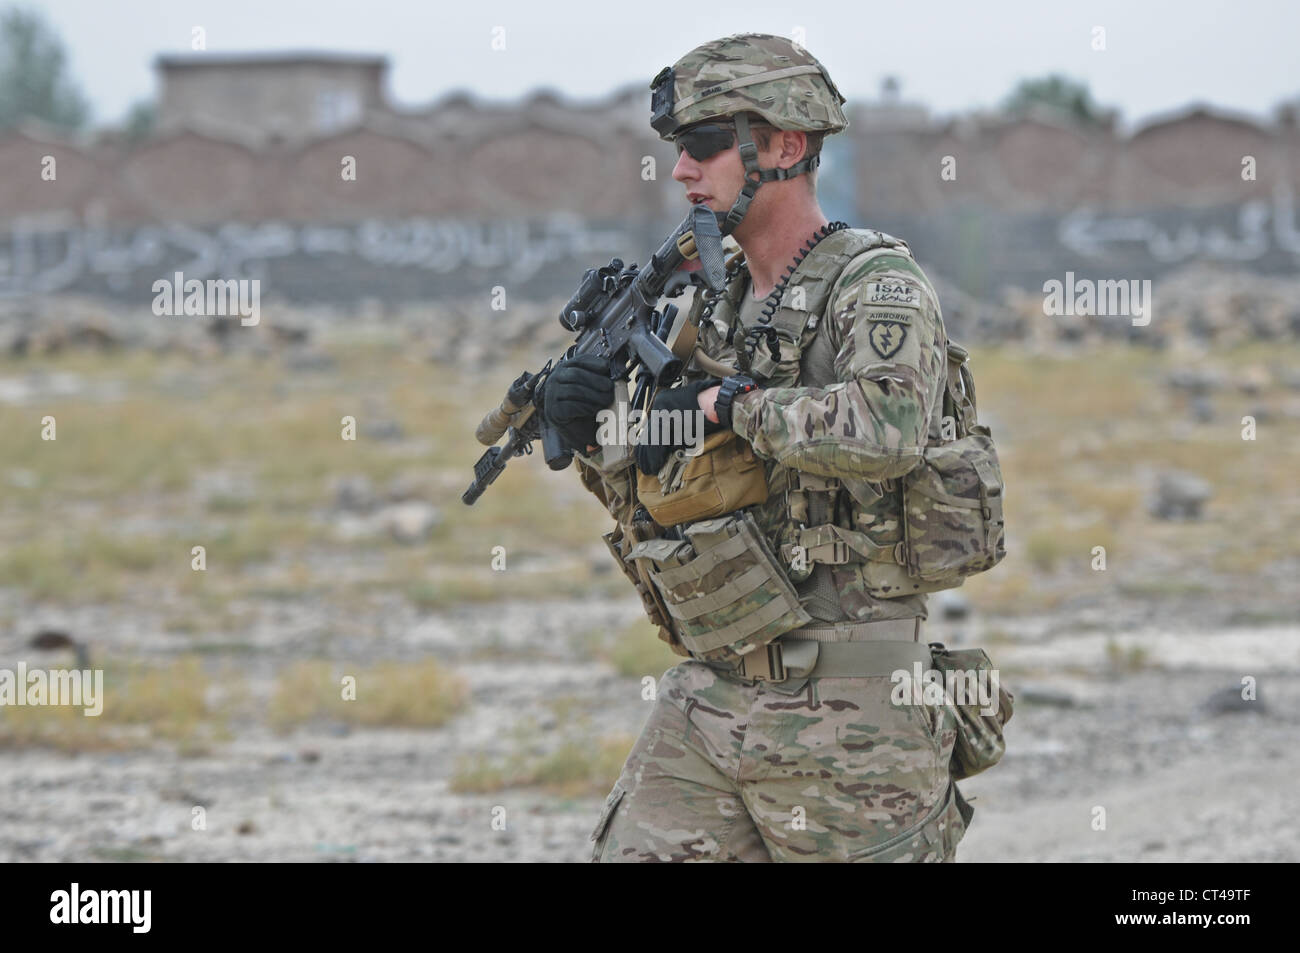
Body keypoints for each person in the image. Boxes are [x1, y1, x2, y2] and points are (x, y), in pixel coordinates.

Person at [538, 33, 973, 862]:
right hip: (712, 693)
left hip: (851, 711)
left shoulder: (875, 286)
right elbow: (672, 491)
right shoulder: (712, 307)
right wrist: (599, 432)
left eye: (704, 144)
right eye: (677, 148)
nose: (682, 171)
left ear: (785, 146)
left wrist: (727, 404)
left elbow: (890, 429)